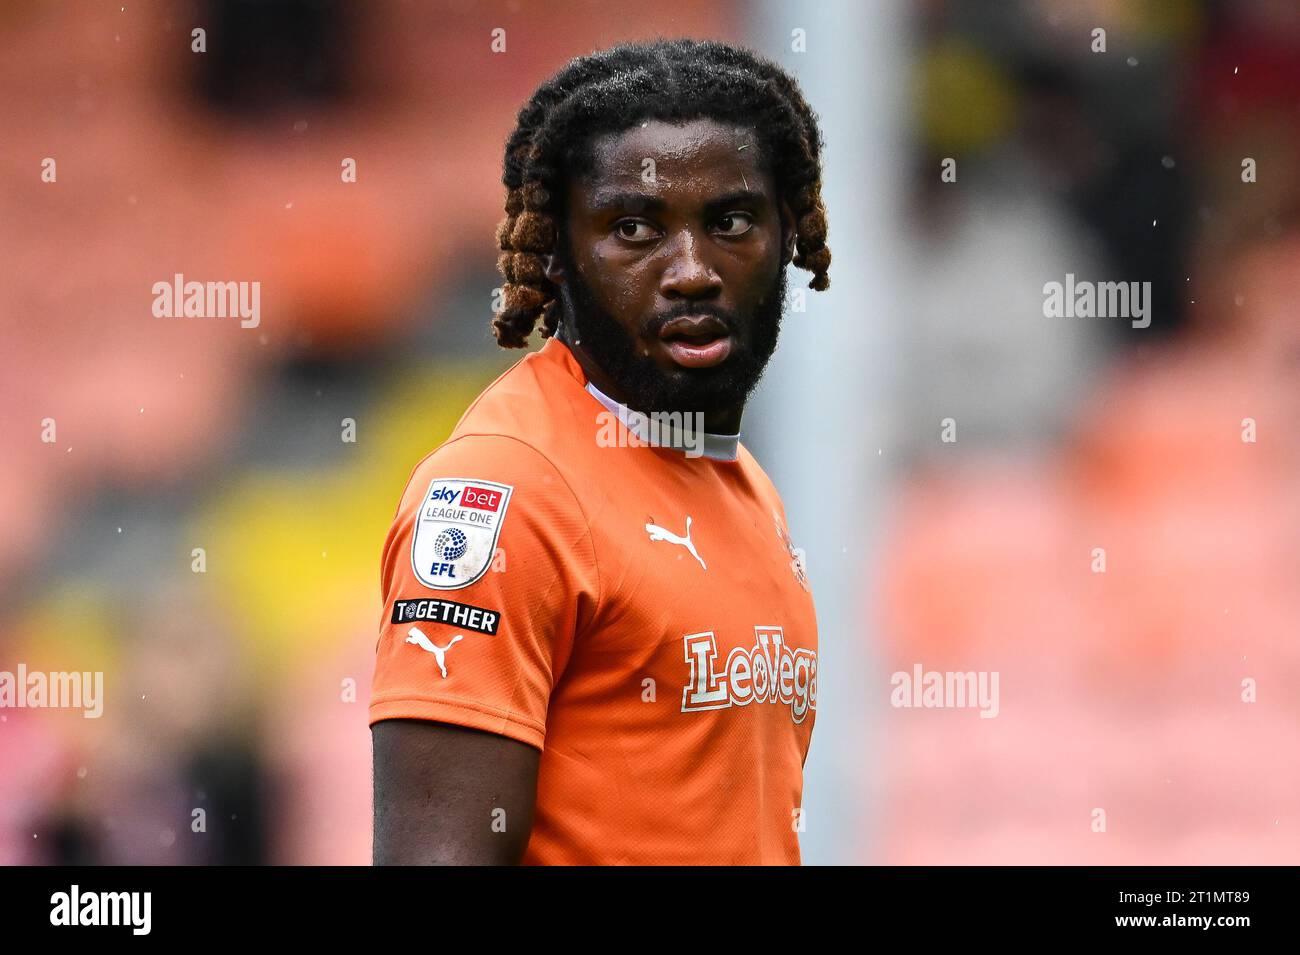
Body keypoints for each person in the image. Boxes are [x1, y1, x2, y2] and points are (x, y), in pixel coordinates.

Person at [370, 38, 830, 865]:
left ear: (788, 235)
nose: (692, 270)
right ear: (555, 252)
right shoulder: (505, 491)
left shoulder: (743, 482)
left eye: (729, 221)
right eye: (633, 228)